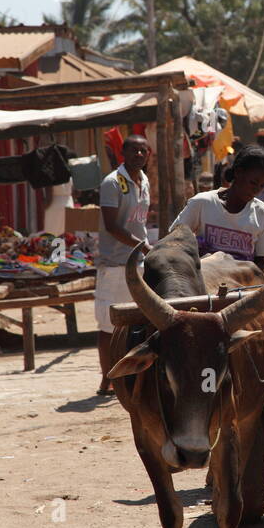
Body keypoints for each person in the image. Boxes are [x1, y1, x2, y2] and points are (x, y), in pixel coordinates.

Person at [95, 134, 152, 394]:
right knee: (109, 325)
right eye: (134, 151)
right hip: (115, 264)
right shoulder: (112, 182)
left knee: (137, 322)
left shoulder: (144, 181)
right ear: (123, 153)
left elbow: (138, 222)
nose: (139, 155)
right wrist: (142, 245)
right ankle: (106, 379)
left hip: (138, 262)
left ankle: (129, 376)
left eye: (143, 151)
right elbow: (111, 226)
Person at [171, 144, 264, 271]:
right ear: (238, 172)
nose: (257, 190)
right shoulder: (202, 203)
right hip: (202, 282)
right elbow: (174, 240)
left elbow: (261, 264)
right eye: (253, 183)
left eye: (262, 185)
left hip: (242, 285)